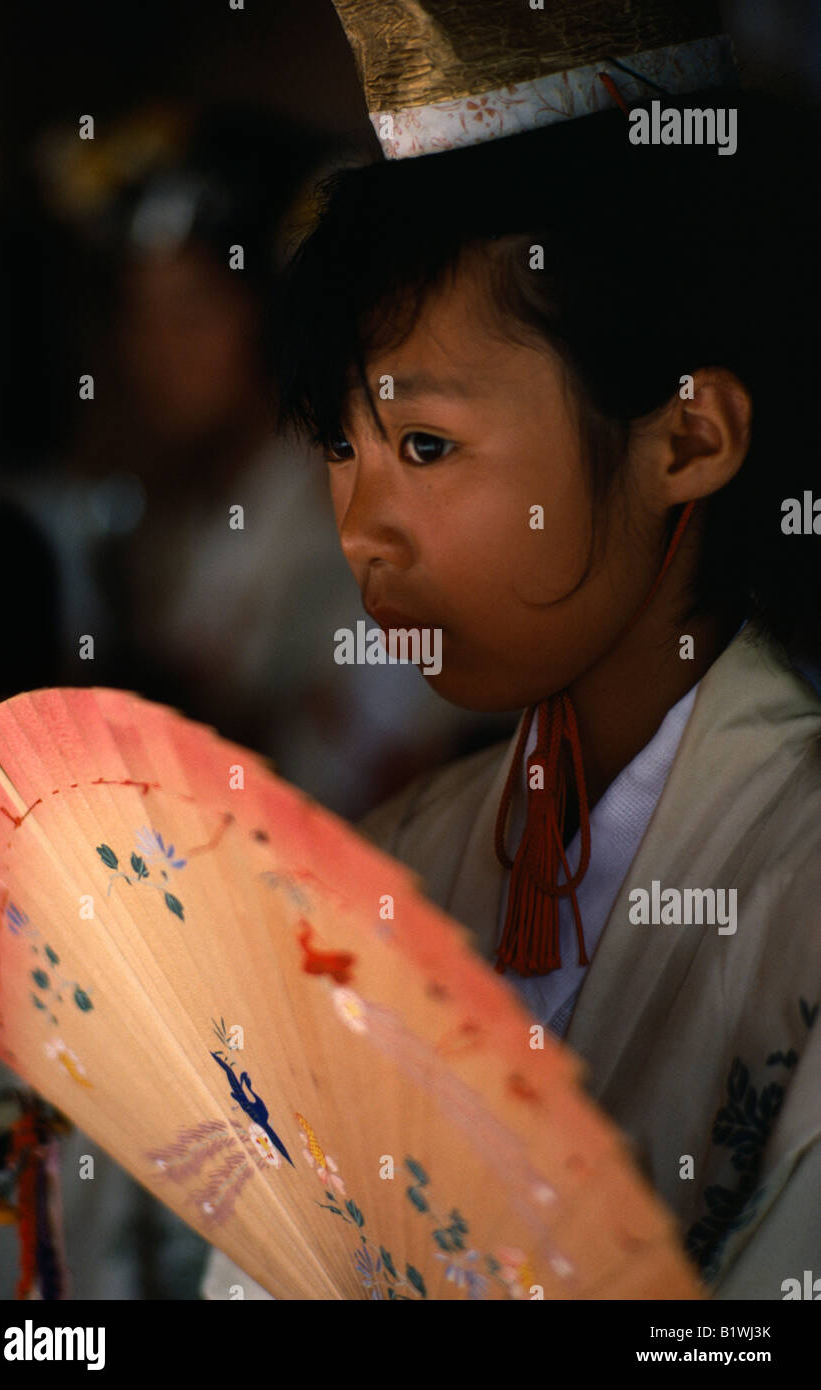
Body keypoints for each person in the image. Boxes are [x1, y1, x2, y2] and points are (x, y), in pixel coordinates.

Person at [202, 3, 820, 1300]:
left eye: (426, 446)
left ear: (689, 437)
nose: (362, 529)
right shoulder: (393, 865)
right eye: (342, 447)